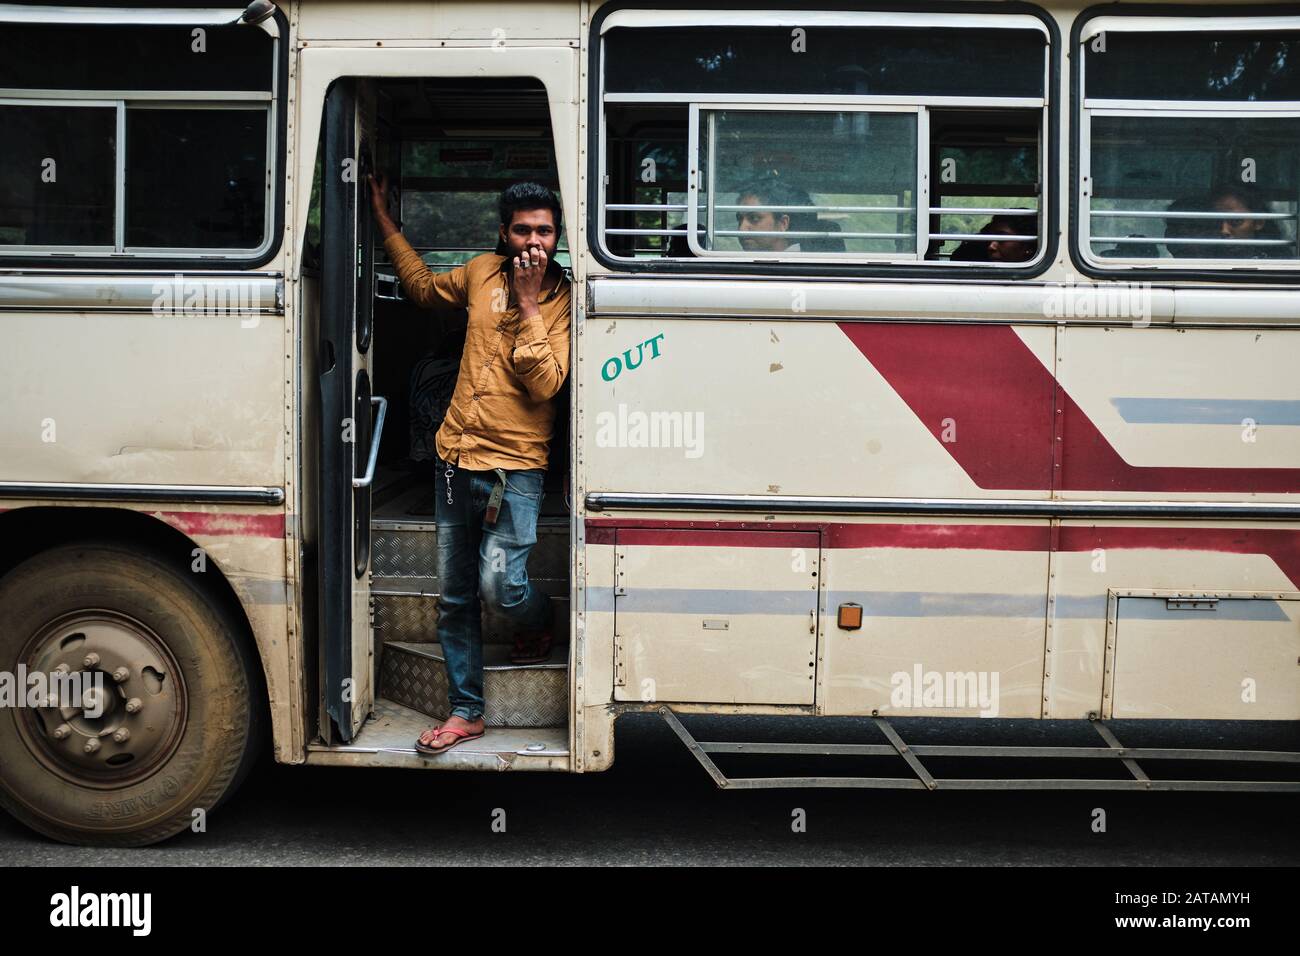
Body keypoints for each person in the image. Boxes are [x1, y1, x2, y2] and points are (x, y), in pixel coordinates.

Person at [367, 175, 572, 755]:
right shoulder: (481, 271)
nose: (535, 242)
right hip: (454, 458)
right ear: (503, 234)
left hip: (517, 468)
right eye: (523, 230)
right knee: (457, 596)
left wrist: (529, 304)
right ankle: (466, 709)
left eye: (546, 231)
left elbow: (546, 384)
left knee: (501, 586)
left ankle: (538, 618)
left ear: (559, 236)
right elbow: (424, 289)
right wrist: (385, 223)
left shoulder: (563, 299)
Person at [733, 178, 815, 253]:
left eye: (754, 218)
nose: (741, 229)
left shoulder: (801, 266)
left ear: (783, 224)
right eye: (739, 219)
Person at [1207, 185, 1289, 259]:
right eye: (1217, 221)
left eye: (1235, 221)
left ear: (1259, 222)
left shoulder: (1279, 262)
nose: (1224, 230)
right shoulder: (1203, 257)